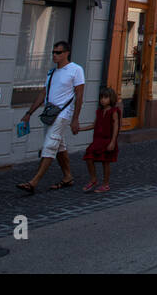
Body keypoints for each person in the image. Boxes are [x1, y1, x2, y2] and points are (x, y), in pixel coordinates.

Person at [17, 40, 85, 193]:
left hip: (62, 114)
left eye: (58, 52)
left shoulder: (76, 70)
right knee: (59, 145)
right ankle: (67, 176)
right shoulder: (52, 72)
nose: (54, 55)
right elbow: (43, 93)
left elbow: (79, 96)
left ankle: (34, 182)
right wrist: (29, 113)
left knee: (49, 146)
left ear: (66, 53)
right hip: (49, 114)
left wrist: (75, 119)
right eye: (53, 52)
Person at [82, 86, 121, 193]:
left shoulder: (114, 111)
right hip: (98, 140)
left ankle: (106, 184)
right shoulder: (99, 111)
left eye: (105, 97)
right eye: (101, 98)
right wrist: (81, 129)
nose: (103, 100)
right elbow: (94, 125)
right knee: (89, 157)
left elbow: (116, 127)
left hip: (107, 140)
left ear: (111, 98)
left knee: (105, 162)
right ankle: (93, 179)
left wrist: (113, 141)